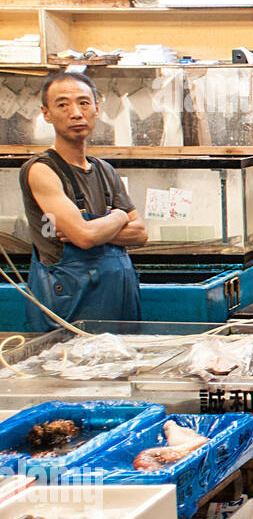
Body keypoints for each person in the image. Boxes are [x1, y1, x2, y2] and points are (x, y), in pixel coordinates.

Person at [19, 73, 147, 331]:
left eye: (84, 103)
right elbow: (85, 237)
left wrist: (96, 228)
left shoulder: (105, 171)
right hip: (69, 308)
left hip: (119, 306)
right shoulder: (42, 170)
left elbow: (141, 234)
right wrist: (119, 217)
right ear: (47, 114)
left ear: (96, 109)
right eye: (63, 104)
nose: (76, 113)